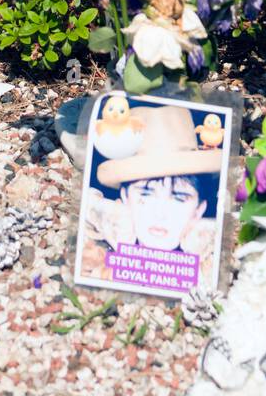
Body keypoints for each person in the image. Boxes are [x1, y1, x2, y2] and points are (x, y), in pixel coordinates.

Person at [78, 104, 224, 287]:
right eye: (146, 195)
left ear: (199, 210)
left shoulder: (214, 268)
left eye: (179, 198)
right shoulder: (92, 249)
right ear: (125, 198)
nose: (160, 214)